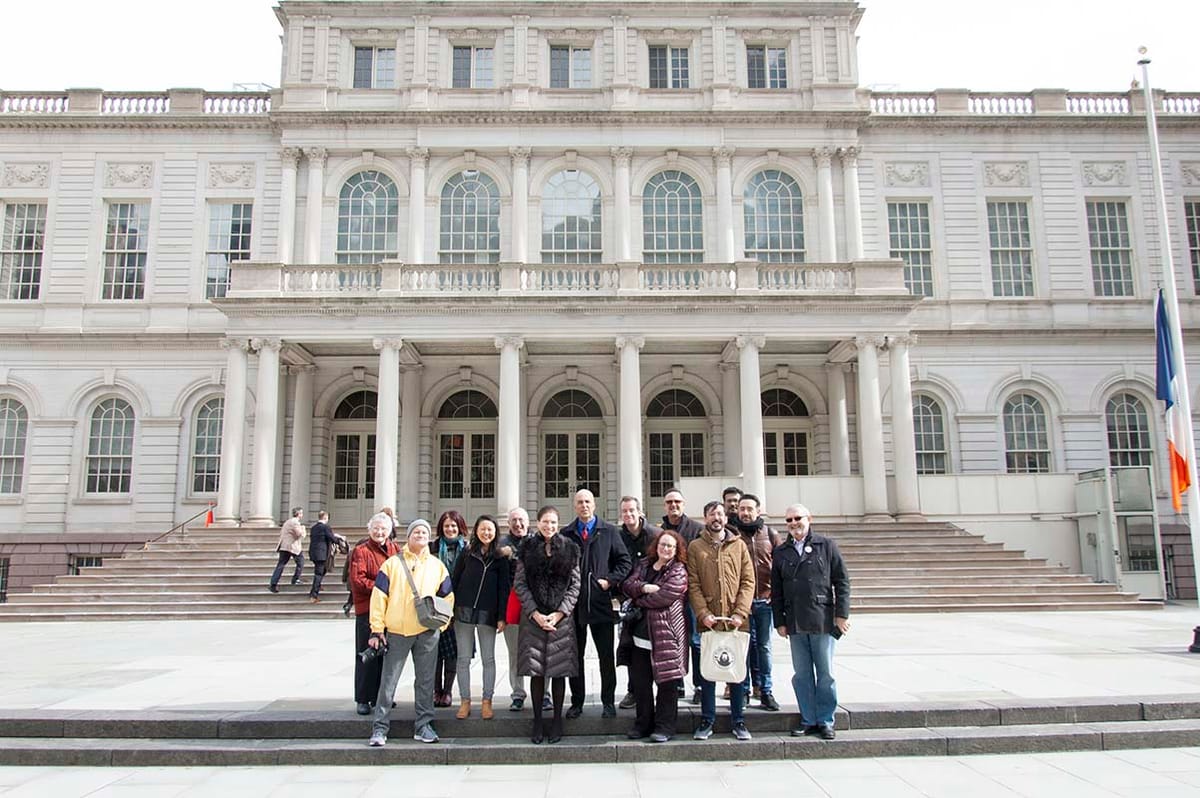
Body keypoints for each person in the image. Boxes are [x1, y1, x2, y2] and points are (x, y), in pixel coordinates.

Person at [366, 519, 454, 747]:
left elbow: (447, 597)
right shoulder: (392, 564)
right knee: (389, 681)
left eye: (424, 532)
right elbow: (379, 597)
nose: (420, 535)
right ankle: (380, 727)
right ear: (408, 536)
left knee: (425, 682)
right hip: (398, 630)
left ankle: (424, 725)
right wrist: (377, 629)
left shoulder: (437, 566)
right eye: (416, 532)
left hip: (427, 631)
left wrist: (441, 624)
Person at [772, 504, 850, 741]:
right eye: (789, 520)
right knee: (802, 674)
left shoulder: (826, 545)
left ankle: (825, 720)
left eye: (798, 518)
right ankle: (808, 719)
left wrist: (842, 615)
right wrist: (779, 621)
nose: (793, 523)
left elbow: (842, 581)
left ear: (809, 519)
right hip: (795, 621)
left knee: (825, 674)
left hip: (822, 619)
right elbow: (777, 590)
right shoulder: (781, 551)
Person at [560, 488, 632, 719]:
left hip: (600, 603)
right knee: (575, 657)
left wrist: (609, 580)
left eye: (587, 501)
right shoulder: (566, 534)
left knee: (606, 657)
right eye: (580, 502)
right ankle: (577, 702)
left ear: (594, 504)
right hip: (574, 606)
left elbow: (624, 562)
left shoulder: (609, 531)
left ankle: (608, 701)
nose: (584, 506)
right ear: (574, 506)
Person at [687, 501, 755, 742]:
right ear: (705, 518)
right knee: (708, 672)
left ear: (726, 518)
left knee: (736, 673)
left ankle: (738, 721)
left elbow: (748, 581)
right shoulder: (695, 546)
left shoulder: (739, 545)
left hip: (735, 621)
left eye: (720, 514)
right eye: (711, 514)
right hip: (709, 621)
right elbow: (693, 583)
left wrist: (740, 612)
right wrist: (702, 613)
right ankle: (707, 720)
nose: (716, 518)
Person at [514, 505, 581, 744]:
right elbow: (520, 584)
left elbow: (575, 585)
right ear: (538, 522)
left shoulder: (570, 548)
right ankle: (537, 721)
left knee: (559, 671)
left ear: (558, 524)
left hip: (560, 620)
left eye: (553, 522)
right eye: (545, 522)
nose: (549, 526)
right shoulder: (527, 548)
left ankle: (557, 721)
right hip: (534, 619)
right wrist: (535, 613)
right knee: (537, 672)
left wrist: (560, 613)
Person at [618, 528, 689, 743]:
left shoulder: (678, 570)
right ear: (656, 546)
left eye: (670, 546)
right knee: (641, 685)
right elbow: (628, 585)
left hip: (666, 635)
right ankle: (643, 724)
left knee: (667, 685)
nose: (665, 548)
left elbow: (665, 596)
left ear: (676, 550)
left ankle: (665, 726)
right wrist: (645, 587)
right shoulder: (644, 565)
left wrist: (638, 599)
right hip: (640, 637)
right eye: (662, 544)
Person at [451, 514, 511, 720]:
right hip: (463, 611)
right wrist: (451, 609)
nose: (486, 533)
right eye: (483, 529)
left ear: (496, 532)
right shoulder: (467, 553)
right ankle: (465, 700)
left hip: (488, 613)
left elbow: (504, 588)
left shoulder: (500, 557)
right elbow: (455, 579)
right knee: (463, 658)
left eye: (490, 529)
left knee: (488, 658)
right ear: (476, 530)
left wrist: (502, 616)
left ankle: (487, 700)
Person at [732, 493, 783, 711]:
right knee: (742, 648)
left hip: (764, 601)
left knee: (764, 647)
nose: (745, 513)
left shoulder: (770, 534)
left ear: (758, 511)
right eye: (742, 509)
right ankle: (743, 691)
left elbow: (781, 567)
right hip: (741, 604)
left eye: (749, 509)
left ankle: (765, 690)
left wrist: (775, 594)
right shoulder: (732, 535)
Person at [349, 513, 399, 715]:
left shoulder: (395, 550)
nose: (379, 532)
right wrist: (383, 588)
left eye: (383, 529)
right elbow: (358, 580)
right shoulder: (361, 551)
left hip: (390, 610)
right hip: (368, 610)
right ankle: (363, 698)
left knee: (386, 656)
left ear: (389, 531)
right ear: (369, 530)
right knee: (366, 654)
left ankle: (381, 696)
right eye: (376, 528)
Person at [659, 488, 704, 703]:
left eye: (677, 501)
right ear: (665, 506)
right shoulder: (659, 531)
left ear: (683, 504)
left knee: (696, 642)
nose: (673, 505)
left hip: (692, 595)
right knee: (673, 640)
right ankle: (676, 683)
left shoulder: (697, 529)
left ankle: (700, 685)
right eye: (669, 502)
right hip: (669, 597)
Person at [616, 495, 660, 709]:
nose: (628, 515)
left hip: (653, 600)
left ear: (640, 512)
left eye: (631, 510)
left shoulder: (655, 535)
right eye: (624, 511)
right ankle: (633, 690)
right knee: (631, 647)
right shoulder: (617, 536)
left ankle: (664, 689)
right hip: (628, 599)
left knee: (657, 647)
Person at [430, 510, 468, 707]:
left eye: (453, 525)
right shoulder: (432, 548)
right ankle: (436, 690)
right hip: (437, 605)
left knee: (453, 651)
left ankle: (448, 691)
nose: (450, 529)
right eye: (446, 526)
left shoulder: (468, 549)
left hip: (460, 606)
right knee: (435, 650)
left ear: (460, 527)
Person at [498, 506, 532, 710]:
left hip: (536, 604)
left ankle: (544, 694)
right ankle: (518, 693)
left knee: (539, 650)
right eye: (514, 521)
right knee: (514, 652)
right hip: (513, 603)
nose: (518, 524)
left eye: (521, 520)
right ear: (508, 523)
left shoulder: (537, 542)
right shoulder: (501, 545)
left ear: (528, 522)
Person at [307, 510, 346, 603]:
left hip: (313, 552)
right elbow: (332, 538)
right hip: (322, 553)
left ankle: (317, 585)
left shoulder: (314, 527)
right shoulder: (325, 527)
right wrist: (340, 540)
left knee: (322, 570)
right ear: (325, 517)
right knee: (319, 574)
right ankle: (313, 595)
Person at [268, 507, 305, 592]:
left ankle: (273, 583)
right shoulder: (295, 522)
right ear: (298, 514)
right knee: (301, 562)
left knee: (281, 565)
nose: (302, 515)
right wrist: (303, 529)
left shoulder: (288, 521)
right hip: (291, 546)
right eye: (301, 513)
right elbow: (299, 534)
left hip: (284, 546)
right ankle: (295, 579)